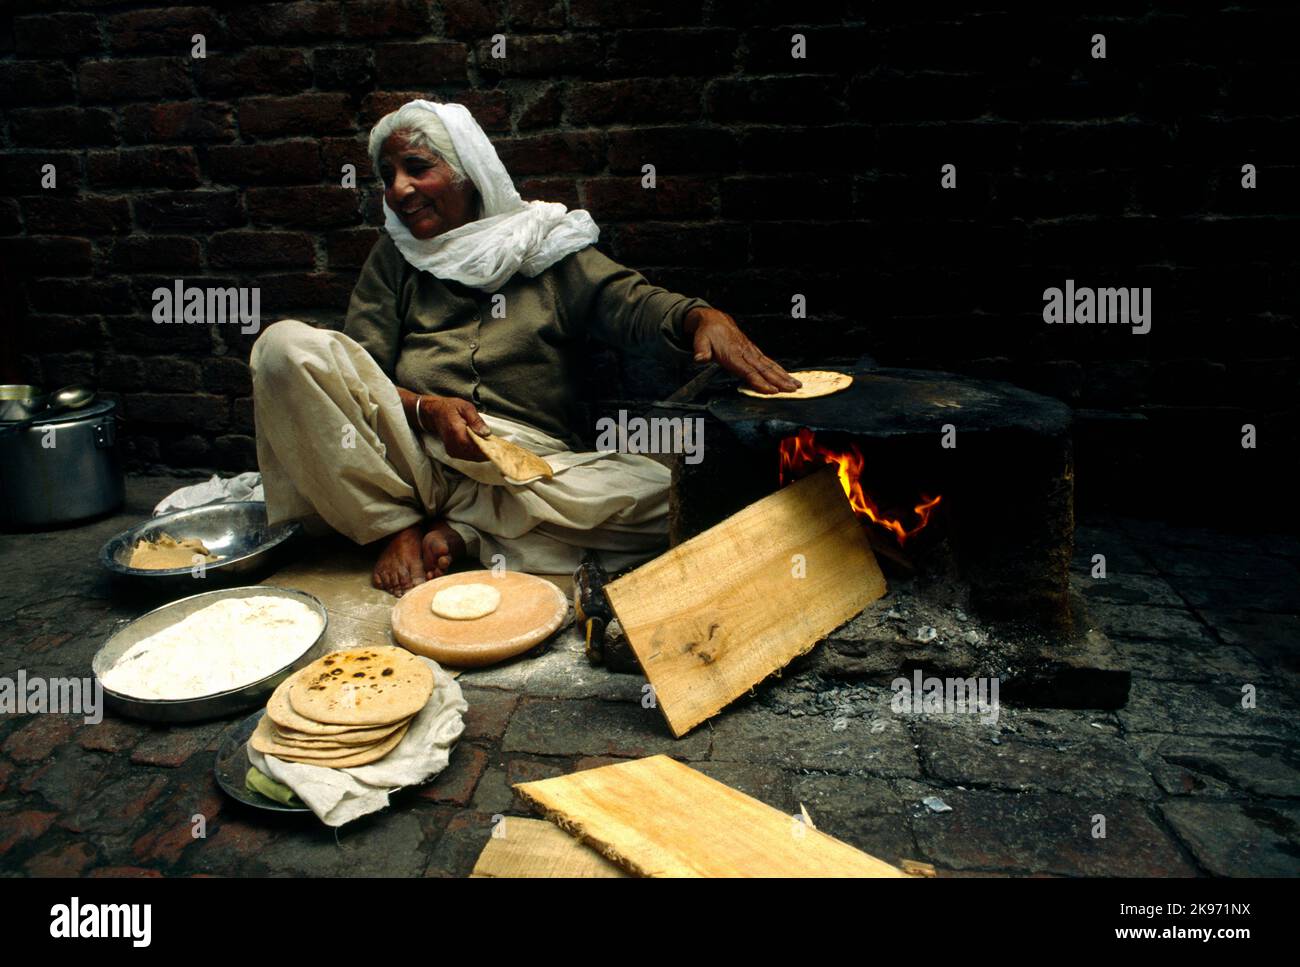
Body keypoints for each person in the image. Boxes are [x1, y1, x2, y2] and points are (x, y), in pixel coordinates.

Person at [251, 99, 799, 596]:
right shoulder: (395, 259)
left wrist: (701, 316)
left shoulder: (545, 245)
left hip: (525, 469)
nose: (398, 189)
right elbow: (357, 377)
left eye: (417, 168)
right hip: (413, 452)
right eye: (387, 176)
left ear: (467, 172)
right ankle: (395, 527)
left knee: (673, 501)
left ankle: (464, 534)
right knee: (282, 348)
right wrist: (428, 408)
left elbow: (631, 302)